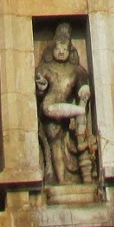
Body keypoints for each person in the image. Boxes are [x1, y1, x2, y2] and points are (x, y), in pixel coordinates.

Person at [35, 22, 96, 186]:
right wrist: (41, 88)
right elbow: (40, 93)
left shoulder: (77, 70)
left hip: (68, 111)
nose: (61, 51)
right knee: (55, 142)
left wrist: (84, 91)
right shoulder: (44, 68)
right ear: (52, 49)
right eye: (58, 48)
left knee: (77, 122)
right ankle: (61, 180)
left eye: (65, 48)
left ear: (70, 51)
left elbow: (83, 86)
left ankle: (84, 170)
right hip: (50, 108)